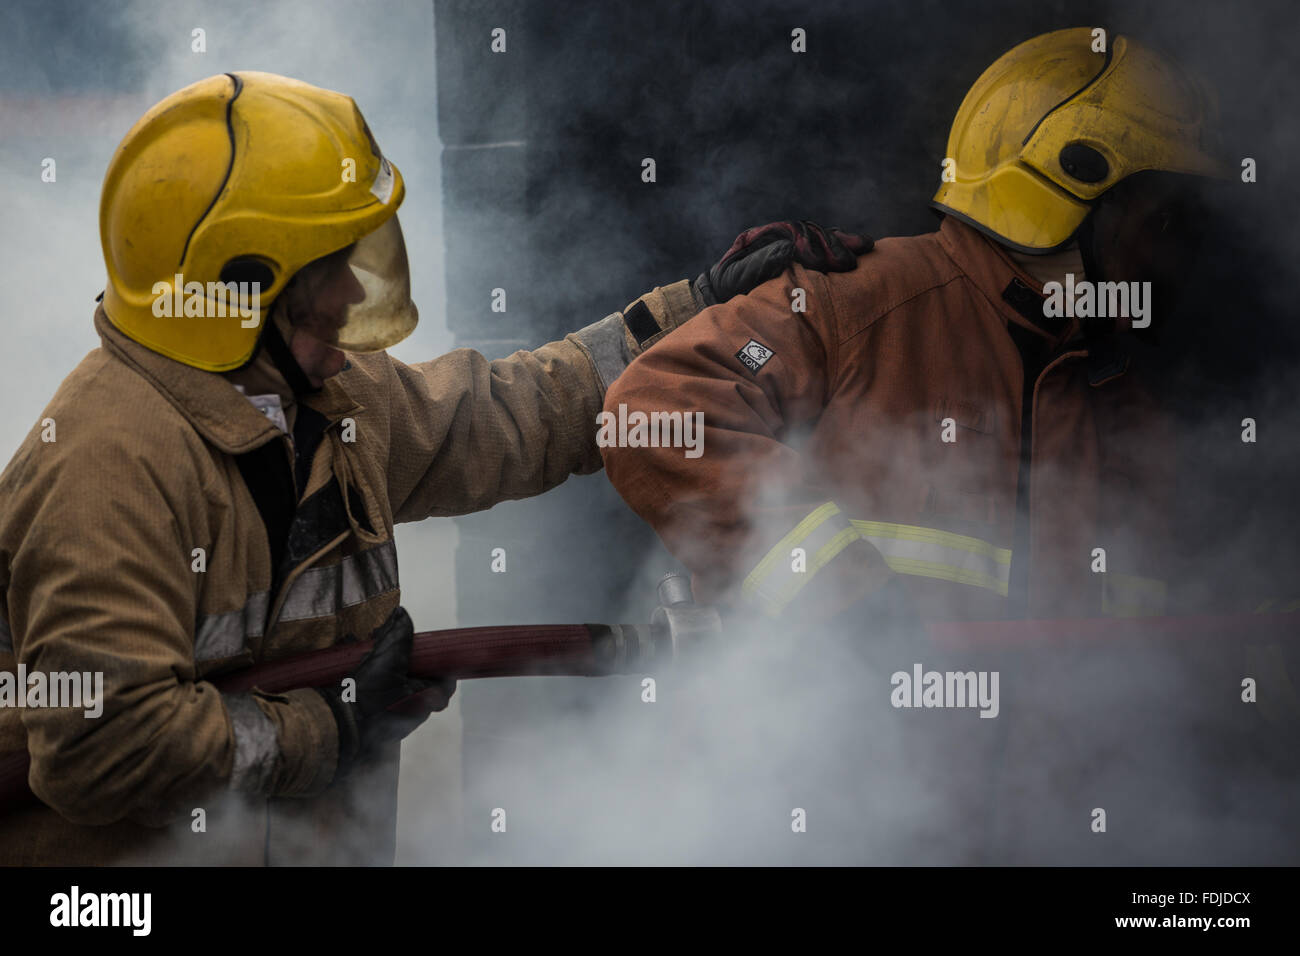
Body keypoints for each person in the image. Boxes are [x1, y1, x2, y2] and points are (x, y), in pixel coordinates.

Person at [0, 70, 864, 865]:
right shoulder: (104, 470)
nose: (352, 293)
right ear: (240, 285)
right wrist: (331, 728)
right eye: (329, 267)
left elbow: (517, 414)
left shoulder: (323, 400)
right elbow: (102, 750)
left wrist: (693, 311)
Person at [601, 28, 1232, 632]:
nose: (1176, 257)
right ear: (1067, 192)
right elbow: (651, 414)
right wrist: (845, 612)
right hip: (852, 743)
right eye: (1166, 224)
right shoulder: (857, 306)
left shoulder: (1125, 402)